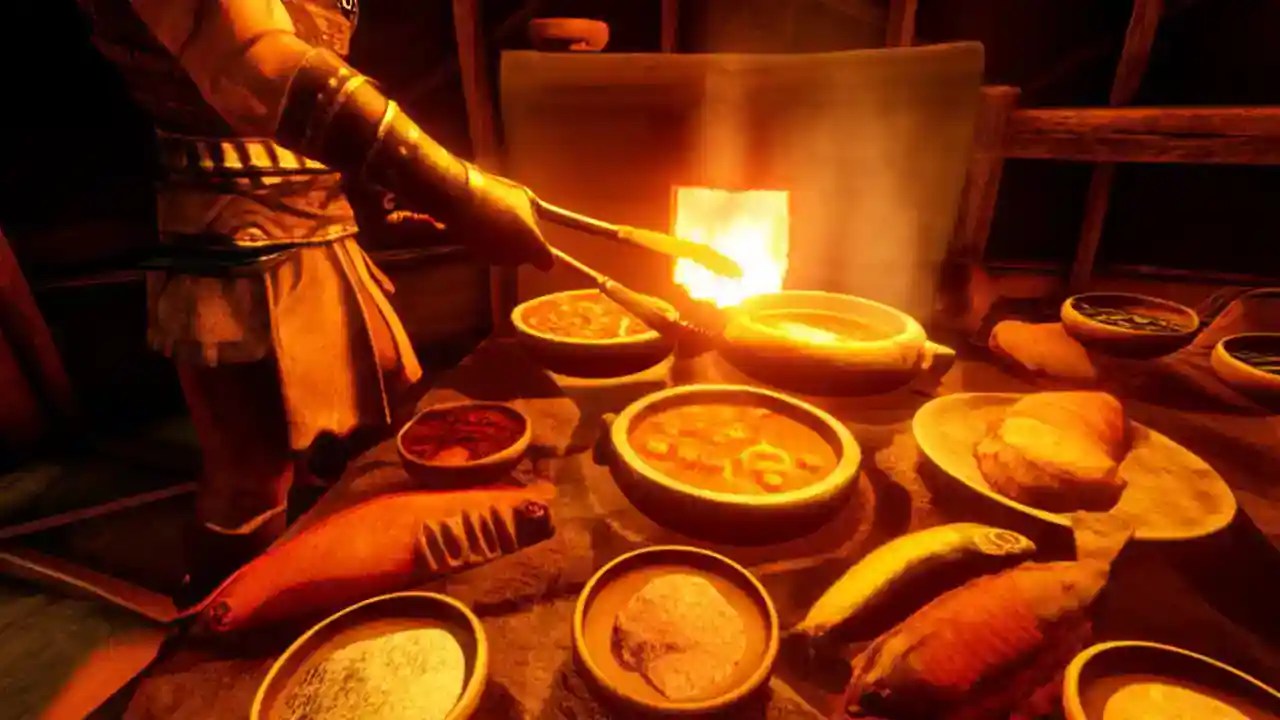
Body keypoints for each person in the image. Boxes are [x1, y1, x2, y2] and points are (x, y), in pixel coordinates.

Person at [76, 0, 555, 598]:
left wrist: (388, 177)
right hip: (229, 240)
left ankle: (336, 593)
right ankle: (221, 646)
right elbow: (257, 67)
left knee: (367, 432)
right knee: (250, 475)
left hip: (315, 220)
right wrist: (456, 189)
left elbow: (306, 73)